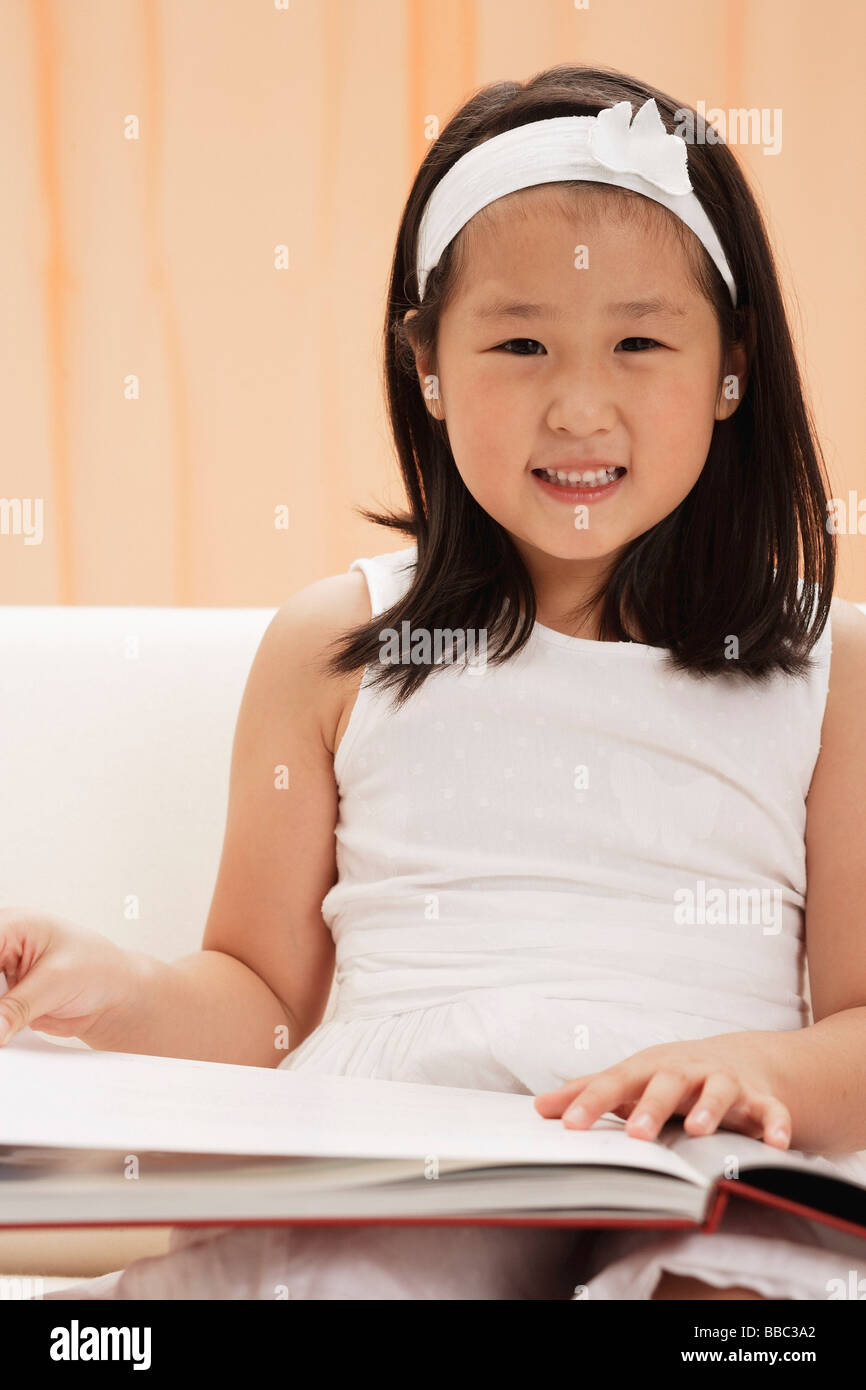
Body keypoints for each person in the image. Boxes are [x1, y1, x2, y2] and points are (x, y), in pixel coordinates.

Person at [6, 62, 866, 1300]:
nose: (577, 405)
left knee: (727, 1303)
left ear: (730, 367)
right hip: (405, 1149)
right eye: (518, 343)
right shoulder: (337, 644)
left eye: (638, 341)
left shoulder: (821, 669)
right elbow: (259, 1004)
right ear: (428, 366)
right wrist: (117, 989)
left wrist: (759, 1071)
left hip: (689, 1161)